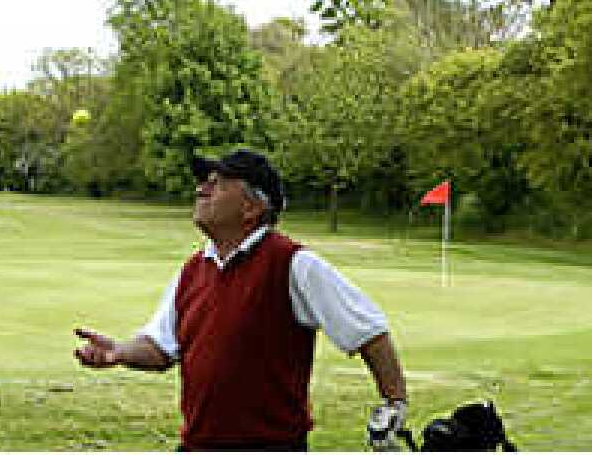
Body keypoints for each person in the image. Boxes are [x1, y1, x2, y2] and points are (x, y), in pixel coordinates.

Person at [73, 149, 409, 451]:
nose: (201, 190)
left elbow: (369, 331)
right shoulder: (194, 269)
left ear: (251, 207)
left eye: (217, 184)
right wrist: (118, 352)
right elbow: (161, 347)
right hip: (198, 445)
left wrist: (393, 403)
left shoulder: (292, 263)